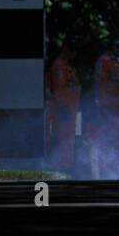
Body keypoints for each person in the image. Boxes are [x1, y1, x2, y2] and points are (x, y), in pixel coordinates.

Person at [93, 36, 119, 174]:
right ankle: (105, 169)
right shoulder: (104, 62)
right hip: (108, 106)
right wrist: (100, 104)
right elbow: (98, 83)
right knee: (106, 138)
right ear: (110, 47)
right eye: (117, 46)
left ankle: (116, 167)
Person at [45, 39, 81, 171]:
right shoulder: (59, 66)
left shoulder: (69, 67)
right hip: (64, 111)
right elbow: (59, 89)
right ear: (66, 50)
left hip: (72, 110)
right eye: (72, 51)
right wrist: (62, 107)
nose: (74, 55)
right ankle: (59, 167)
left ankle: (67, 166)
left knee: (71, 139)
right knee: (62, 138)